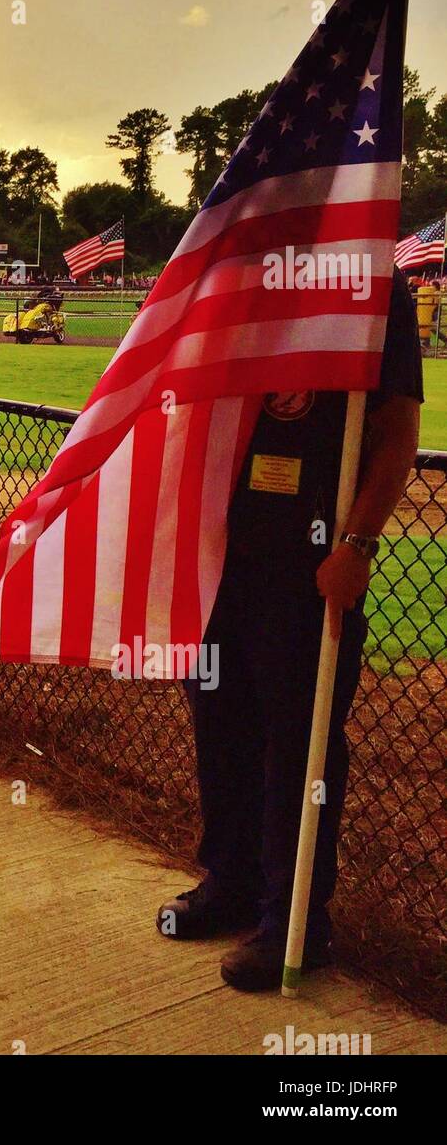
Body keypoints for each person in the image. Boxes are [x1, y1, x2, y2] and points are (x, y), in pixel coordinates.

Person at [157, 268, 423, 991]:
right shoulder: (241, 272)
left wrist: (359, 544)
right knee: (220, 727)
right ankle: (231, 882)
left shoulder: (373, 282)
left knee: (300, 746)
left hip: (307, 569)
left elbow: (398, 430)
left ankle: (296, 917)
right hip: (222, 557)